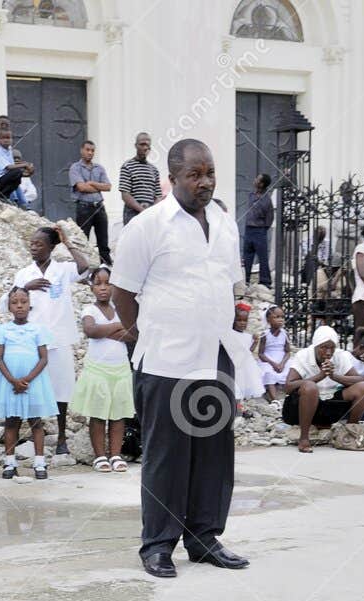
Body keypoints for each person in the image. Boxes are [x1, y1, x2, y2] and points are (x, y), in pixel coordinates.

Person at [111, 138, 247, 578]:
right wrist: (140, 335)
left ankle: (204, 537)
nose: (204, 182)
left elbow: (231, 284)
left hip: (215, 355)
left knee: (213, 452)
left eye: (210, 173)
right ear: (172, 178)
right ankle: (158, 545)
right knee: (167, 455)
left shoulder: (226, 224)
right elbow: (122, 292)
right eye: (195, 174)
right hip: (166, 359)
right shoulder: (148, 225)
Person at [5, 224, 89, 457]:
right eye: (31, 243)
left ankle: (62, 437)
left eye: (39, 244)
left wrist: (67, 241)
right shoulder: (24, 274)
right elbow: (10, 301)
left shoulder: (62, 269)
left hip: (59, 339)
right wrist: (24, 288)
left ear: (52, 247)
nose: (33, 247)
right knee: (33, 389)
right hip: (31, 341)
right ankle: (35, 435)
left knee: (61, 390)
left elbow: (84, 267)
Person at [71, 266, 134, 472]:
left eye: (108, 283)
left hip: (120, 369)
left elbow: (132, 335)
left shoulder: (121, 310)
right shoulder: (89, 310)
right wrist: (117, 327)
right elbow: (90, 330)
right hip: (98, 369)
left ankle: (115, 454)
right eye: (98, 283)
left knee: (118, 414)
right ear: (91, 287)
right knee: (98, 414)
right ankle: (100, 456)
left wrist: (103, 330)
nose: (103, 288)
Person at [0, 286, 56, 480]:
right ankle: (10, 462)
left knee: (36, 422)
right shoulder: (1, 330)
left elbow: (43, 358)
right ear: (8, 306)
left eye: (23, 302)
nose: (19, 306)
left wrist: (26, 379)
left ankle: (39, 463)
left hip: (33, 382)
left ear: (30, 305)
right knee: (11, 422)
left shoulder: (38, 330)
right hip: (10, 383)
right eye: (15, 302)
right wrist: (13, 381)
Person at [279, 326, 364, 451]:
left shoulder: (340, 356)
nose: (328, 352)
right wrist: (319, 376)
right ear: (316, 346)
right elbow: (288, 387)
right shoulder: (303, 356)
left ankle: (351, 432)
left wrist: (334, 376)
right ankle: (304, 438)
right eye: (323, 347)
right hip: (301, 409)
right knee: (310, 387)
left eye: (332, 348)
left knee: (363, 387)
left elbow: (359, 379)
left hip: (330, 407)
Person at [69, 140, 112, 264]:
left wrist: (92, 183)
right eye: (87, 150)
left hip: (99, 207)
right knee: (83, 240)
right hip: (84, 208)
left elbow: (108, 187)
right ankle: (83, 269)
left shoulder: (99, 168)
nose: (90, 153)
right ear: (81, 150)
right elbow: (81, 187)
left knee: (103, 241)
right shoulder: (75, 168)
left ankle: (106, 267)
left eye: (92, 150)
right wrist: (99, 187)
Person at [0, 116, 33, 204]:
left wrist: (29, 173)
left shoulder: (9, 151)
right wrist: (25, 165)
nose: (6, 140)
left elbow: (12, 172)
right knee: (16, 172)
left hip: (1, 181)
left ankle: (5, 197)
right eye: (3, 138)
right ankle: (15, 201)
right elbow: (8, 167)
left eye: (8, 138)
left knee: (17, 176)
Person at [118, 132, 161, 226]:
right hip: (132, 213)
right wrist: (142, 210)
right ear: (136, 145)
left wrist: (151, 211)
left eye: (148, 145)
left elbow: (158, 196)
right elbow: (125, 195)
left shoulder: (154, 170)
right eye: (142, 144)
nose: (145, 148)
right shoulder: (127, 166)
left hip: (150, 214)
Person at [241, 174, 274, 287]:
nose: (254, 180)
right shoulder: (251, 195)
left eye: (257, 179)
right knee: (247, 257)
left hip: (259, 230)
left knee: (262, 258)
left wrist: (263, 229)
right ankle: (245, 280)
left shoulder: (266, 199)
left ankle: (265, 281)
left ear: (261, 184)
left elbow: (270, 217)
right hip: (248, 229)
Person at [253, 305, 290, 402]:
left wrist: (282, 363)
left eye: (282, 317)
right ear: (268, 320)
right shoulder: (265, 335)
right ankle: (275, 399)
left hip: (282, 360)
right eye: (277, 317)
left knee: (291, 371)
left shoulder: (285, 334)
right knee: (268, 373)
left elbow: (287, 352)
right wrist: (273, 364)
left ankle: (288, 396)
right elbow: (260, 354)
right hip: (268, 360)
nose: (280, 319)